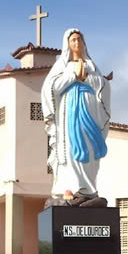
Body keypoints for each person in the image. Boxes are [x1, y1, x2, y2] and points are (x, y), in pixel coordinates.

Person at [40, 28, 111, 207]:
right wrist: (73, 76)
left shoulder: (92, 66)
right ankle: (69, 187)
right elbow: (51, 88)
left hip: (89, 114)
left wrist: (88, 78)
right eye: (73, 40)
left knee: (90, 149)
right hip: (68, 116)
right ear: (68, 44)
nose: (77, 43)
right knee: (71, 149)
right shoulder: (62, 66)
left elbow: (102, 85)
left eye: (79, 39)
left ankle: (87, 190)